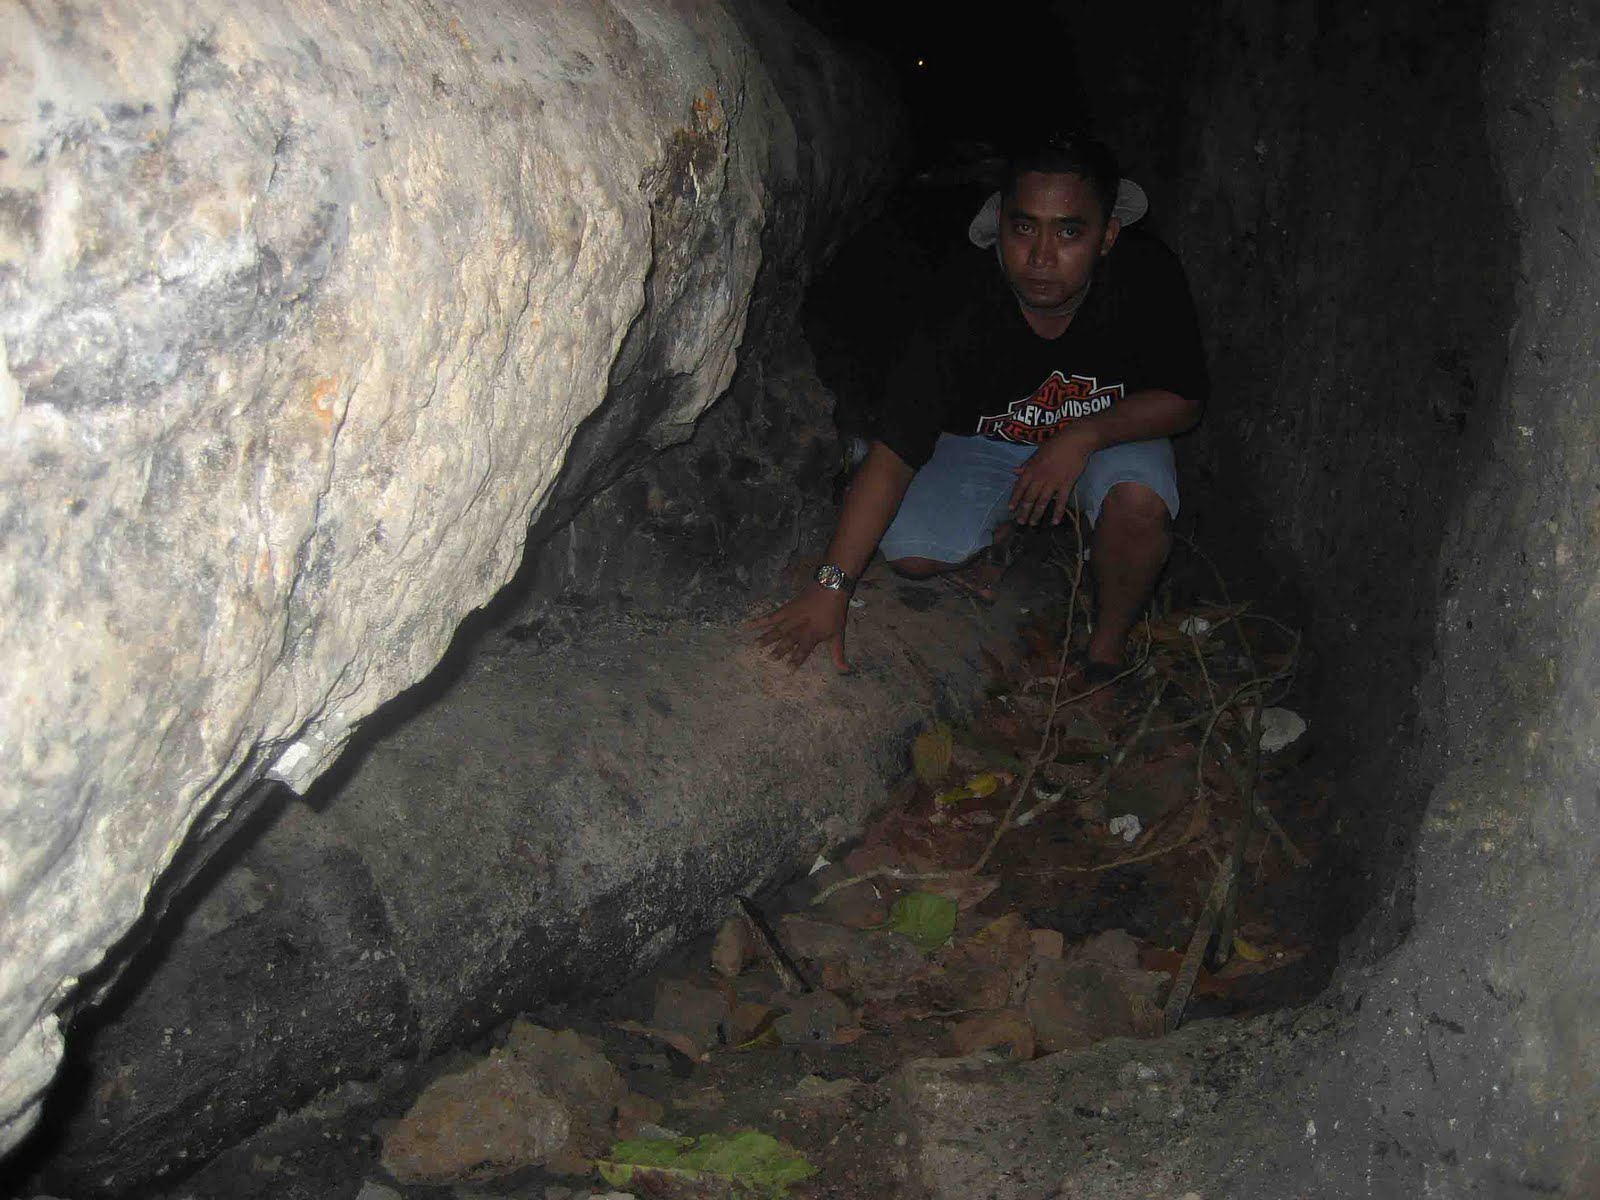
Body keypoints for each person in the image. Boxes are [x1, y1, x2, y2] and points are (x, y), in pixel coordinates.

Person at [754, 133, 1208, 680]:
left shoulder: (1146, 276)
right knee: (912, 552)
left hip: (1107, 435)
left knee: (1139, 506)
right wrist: (832, 587)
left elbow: (1185, 401)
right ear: (999, 227)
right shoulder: (960, 298)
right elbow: (895, 452)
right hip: (992, 443)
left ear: (1107, 235)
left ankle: (1104, 654)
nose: (1041, 257)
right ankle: (1007, 534)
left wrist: (1081, 436)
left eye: (1069, 231)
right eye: (1024, 228)